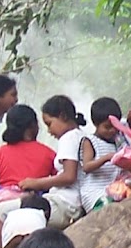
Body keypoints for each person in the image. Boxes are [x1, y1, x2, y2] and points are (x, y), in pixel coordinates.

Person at [18, 95, 86, 229]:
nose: (49, 131)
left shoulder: (69, 138)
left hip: (66, 203)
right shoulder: (80, 135)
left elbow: (69, 176)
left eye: (49, 124)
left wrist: (36, 183)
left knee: (0, 212)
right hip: (71, 202)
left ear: (62, 116)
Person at [0, 104, 55, 212]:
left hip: (3, 204)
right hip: (35, 205)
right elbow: (61, 179)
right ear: (33, 127)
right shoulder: (48, 153)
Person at [77, 97, 124, 214]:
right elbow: (86, 167)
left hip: (114, 189)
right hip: (95, 192)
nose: (112, 131)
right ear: (95, 124)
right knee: (108, 210)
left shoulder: (118, 141)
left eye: (115, 126)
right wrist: (106, 158)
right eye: (107, 127)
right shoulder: (90, 141)